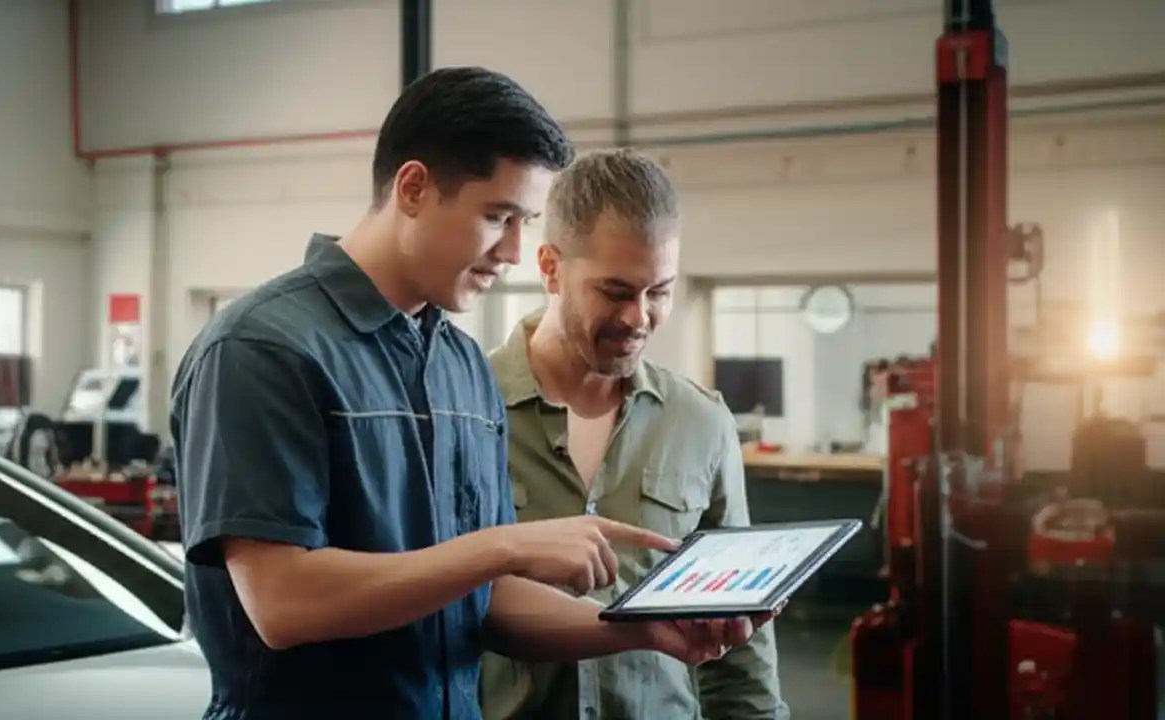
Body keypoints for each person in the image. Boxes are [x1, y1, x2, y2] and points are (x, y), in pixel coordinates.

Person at [170, 67, 768, 720]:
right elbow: (283, 603)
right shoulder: (264, 350)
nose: (514, 251)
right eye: (498, 217)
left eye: (525, 222)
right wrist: (504, 546)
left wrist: (636, 630)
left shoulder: (459, 366)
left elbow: (481, 603)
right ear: (415, 187)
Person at [479, 149, 790, 719]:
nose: (639, 318)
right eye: (616, 292)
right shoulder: (468, 407)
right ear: (549, 266)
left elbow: (742, 655)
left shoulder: (701, 422)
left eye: (661, 291)